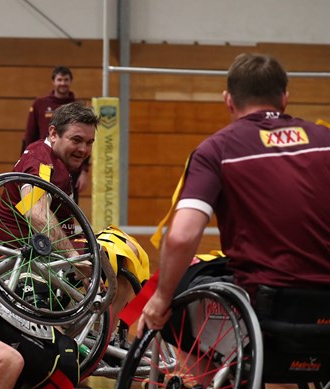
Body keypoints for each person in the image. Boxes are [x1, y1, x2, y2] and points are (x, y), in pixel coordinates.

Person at [140, 53, 330, 334]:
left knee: (175, 302)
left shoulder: (216, 150)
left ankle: (210, 379)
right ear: (285, 98)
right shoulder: (325, 140)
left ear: (228, 100)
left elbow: (181, 237)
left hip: (267, 304)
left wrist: (160, 299)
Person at [0, 102, 150, 324]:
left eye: (89, 143)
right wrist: (73, 258)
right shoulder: (41, 162)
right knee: (121, 251)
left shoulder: (51, 157)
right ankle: (105, 335)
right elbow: (35, 212)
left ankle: (106, 331)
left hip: (43, 256)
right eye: (76, 140)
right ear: (53, 132)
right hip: (27, 262)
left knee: (128, 248)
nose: (84, 150)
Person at [22, 65, 76, 151]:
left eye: (66, 80)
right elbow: (30, 133)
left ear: (71, 81)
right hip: (44, 154)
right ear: (53, 81)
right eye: (59, 80)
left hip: (68, 155)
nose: (63, 83)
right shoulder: (40, 104)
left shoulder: (77, 106)